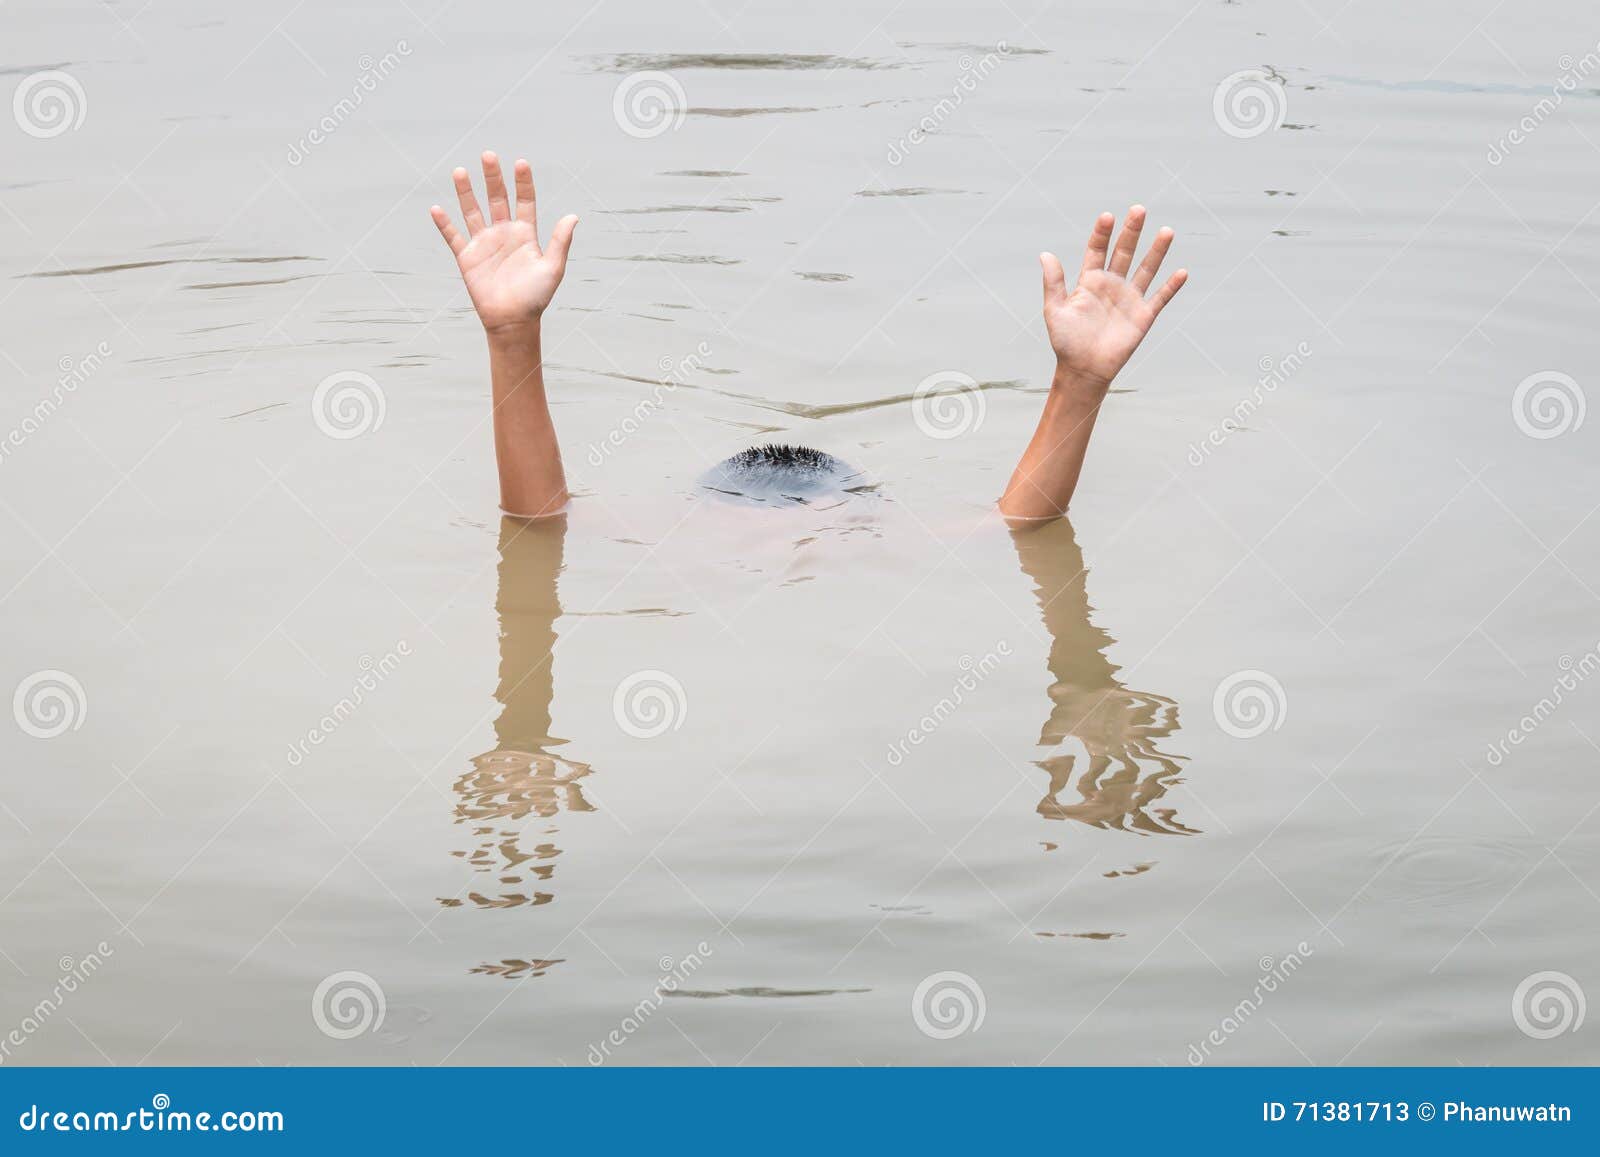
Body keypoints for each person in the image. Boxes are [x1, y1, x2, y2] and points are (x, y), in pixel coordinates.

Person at [428, 152, 1188, 519]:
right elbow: (538, 527)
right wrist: (510, 337)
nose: (794, 565)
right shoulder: (666, 556)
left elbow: (1019, 531)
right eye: (769, 547)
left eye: (815, 541)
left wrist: (1079, 384)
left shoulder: (873, 550)